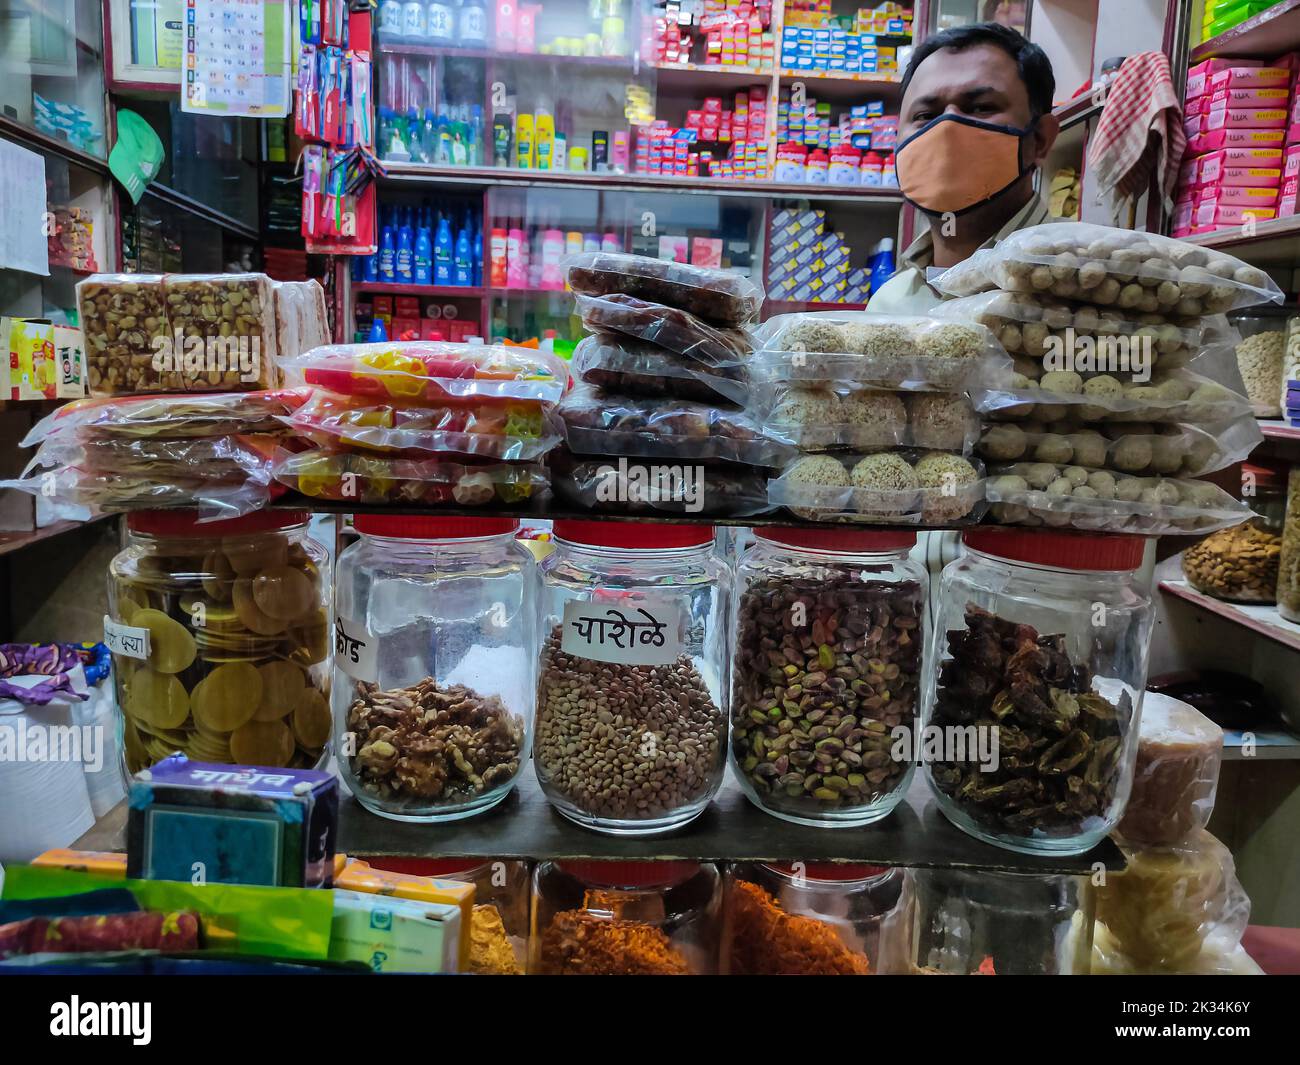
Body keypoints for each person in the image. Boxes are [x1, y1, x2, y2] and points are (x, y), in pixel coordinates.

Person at [868, 22, 1061, 313]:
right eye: (925, 115)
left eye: (981, 107)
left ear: (1040, 139)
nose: (946, 129)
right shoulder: (888, 305)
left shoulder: (1095, 278)